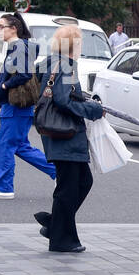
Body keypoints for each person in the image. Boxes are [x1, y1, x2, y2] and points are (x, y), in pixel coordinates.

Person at [36, 25, 105, 253]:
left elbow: (62, 95)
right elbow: (64, 101)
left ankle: (55, 226)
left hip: (58, 135)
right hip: (66, 135)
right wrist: (92, 109)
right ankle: (61, 239)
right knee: (70, 187)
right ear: (73, 44)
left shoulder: (53, 62)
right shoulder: (66, 66)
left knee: (80, 182)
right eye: (80, 41)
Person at [0, 13, 56, 200]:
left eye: (1, 27)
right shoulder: (18, 47)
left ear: (13, 28)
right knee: (21, 146)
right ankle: (59, 172)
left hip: (16, 107)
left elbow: (22, 75)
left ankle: (5, 188)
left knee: (6, 145)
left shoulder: (20, 47)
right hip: (14, 106)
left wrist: (4, 87)